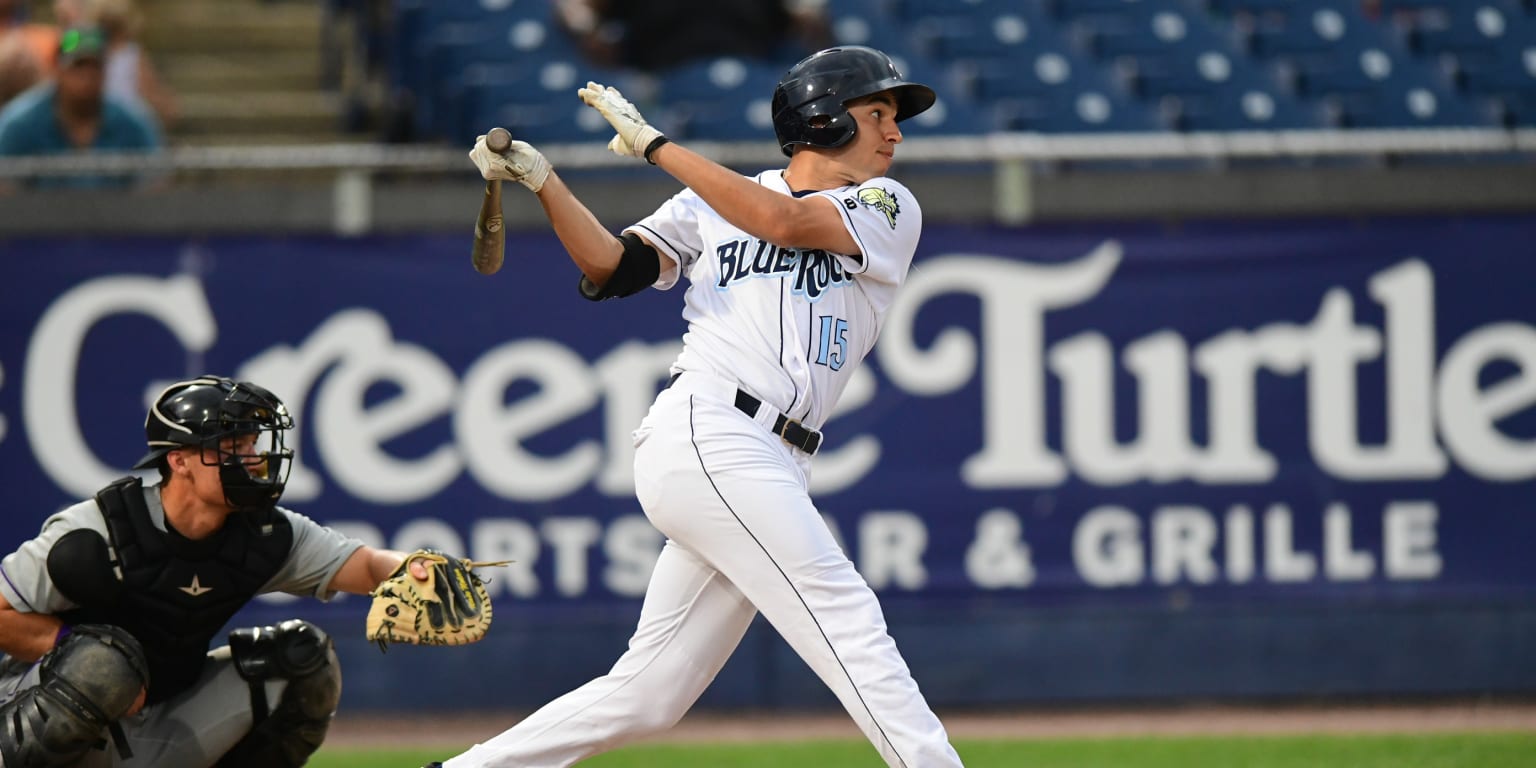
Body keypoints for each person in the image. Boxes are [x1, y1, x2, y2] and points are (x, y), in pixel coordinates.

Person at [449, 45, 964, 767]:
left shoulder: (885, 204)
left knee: (650, 694)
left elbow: (784, 223)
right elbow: (614, 265)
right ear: (822, 119)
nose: (895, 131)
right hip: (712, 430)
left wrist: (658, 147)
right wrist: (545, 181)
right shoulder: (710, 201)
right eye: (877, 112)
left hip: (774, 457)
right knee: (844, 614)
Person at [0, 375, 446, 767]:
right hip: (34, 725)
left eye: (252, 444)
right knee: (102, 662)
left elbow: (365, 565)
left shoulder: (263, 533)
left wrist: (416, 570)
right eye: (233, 447)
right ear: (179, 461)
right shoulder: (97, 531)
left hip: (154, 719)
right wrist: (79, 654)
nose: (251, 458)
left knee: (302, 659)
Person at [0, 25, 161, 190]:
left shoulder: (133, 121)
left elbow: (154, 183)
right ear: (57, 69)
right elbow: (5, 189)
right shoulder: (20, 123)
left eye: (95, 66)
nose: (87, 76)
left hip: (117, 215)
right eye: (78, 65)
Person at [554, 0, 832, 73]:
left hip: (752, 74)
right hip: (657, 84)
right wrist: (588, 28)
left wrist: (809, 13)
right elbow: (578, 9)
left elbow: (804, 17)